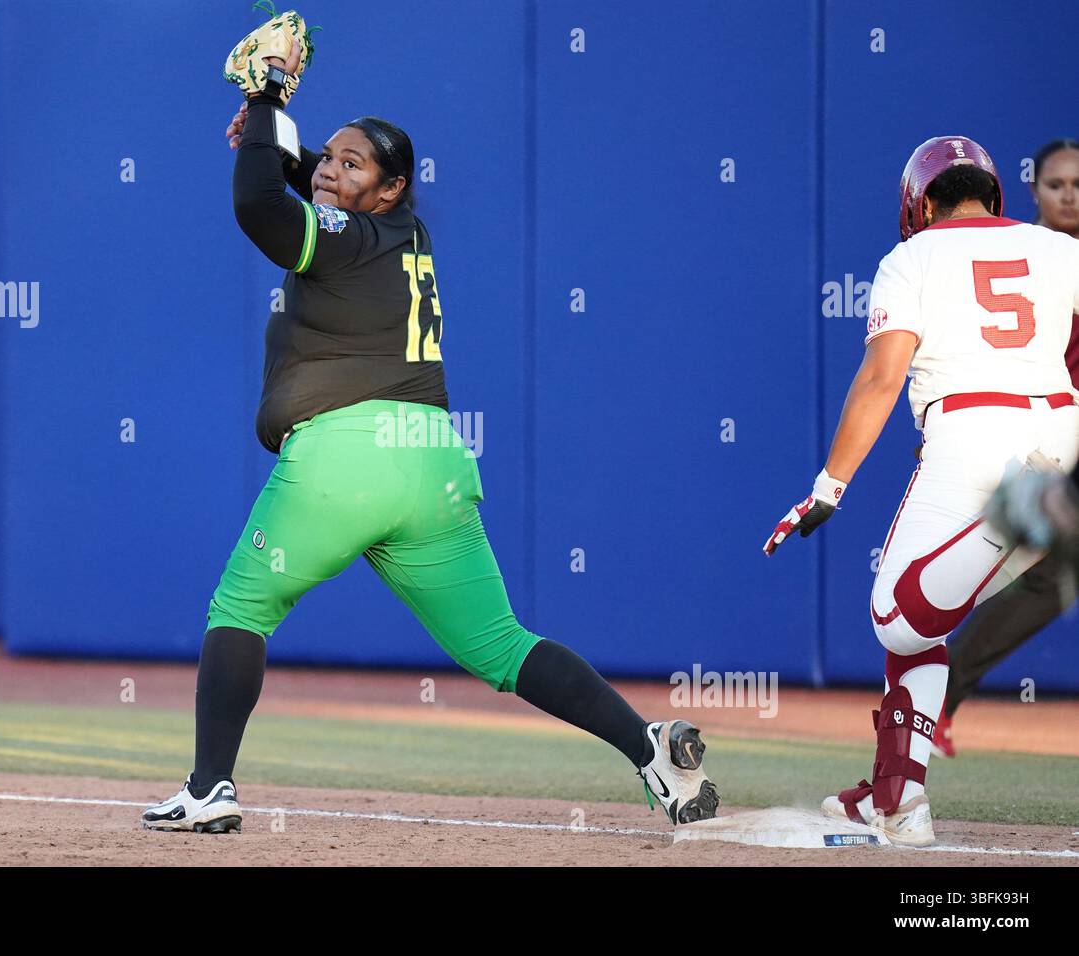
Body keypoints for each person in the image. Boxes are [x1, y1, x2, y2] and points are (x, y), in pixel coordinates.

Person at [141, 27, 718, 835]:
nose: (334, 172)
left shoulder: (342, 240)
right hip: (431, 464)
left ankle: (209, 789)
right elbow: (294, 179)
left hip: (346, 457)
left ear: (391, 188)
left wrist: (270, 94)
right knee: (502, 646)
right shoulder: (405, 234)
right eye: (330, 158)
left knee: (240, 608)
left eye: (354, 164)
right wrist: (268, 130)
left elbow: (258, 206)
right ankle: (647, 746)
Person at [764, 136, 1079, 845]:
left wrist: (829, 486)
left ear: (921, 203)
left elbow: (882, 378)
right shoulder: (1061, 249)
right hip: (1062, 432)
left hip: (970, 433)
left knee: (894, 614)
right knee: (921, 632)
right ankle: (897, 797)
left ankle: (1022, 515)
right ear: (993, 196)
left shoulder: (910, 257)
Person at [932, 138, 1079, 757]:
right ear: (1032, 190)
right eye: (1056, 184)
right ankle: (926, 702)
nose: (1069, 195)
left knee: (1047, 579)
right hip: (1034, 439)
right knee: (1033, 575)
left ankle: (929, 703)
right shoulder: (1029, 256)